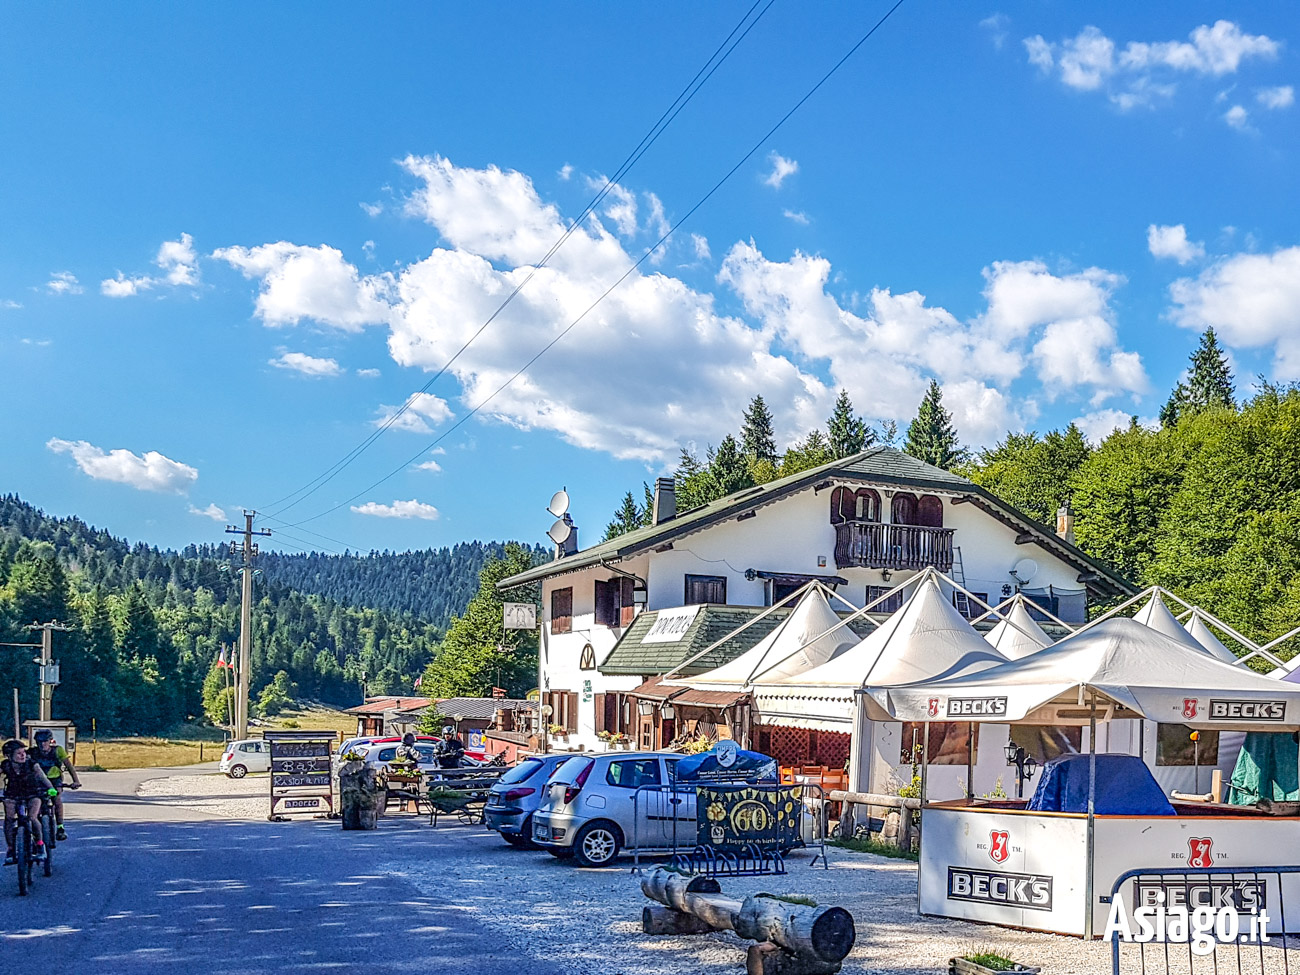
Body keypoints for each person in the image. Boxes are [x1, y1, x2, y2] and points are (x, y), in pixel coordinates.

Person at [1, 739, 56, 866]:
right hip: (13, 794)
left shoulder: (32, 764)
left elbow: (42, 777)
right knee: (9, 818)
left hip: (33, 793)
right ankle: (10, 849)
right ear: (10, 756)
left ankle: (40, 845)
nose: (23, 755)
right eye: (19, 753)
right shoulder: (6, 765)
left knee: (32, 817)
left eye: (24, 752)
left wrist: (51, 788)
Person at [30, 729, 81, 841]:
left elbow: (69, 766)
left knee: (57, 799)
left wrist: (75, 781)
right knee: (35, 803)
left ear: (50, 741)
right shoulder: (32, 752)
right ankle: (35, 831)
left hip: (55, 779)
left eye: (45, 741)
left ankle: (60, 827)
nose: (42, 744)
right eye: (39, 742)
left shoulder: (58, 750)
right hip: (38, 781)